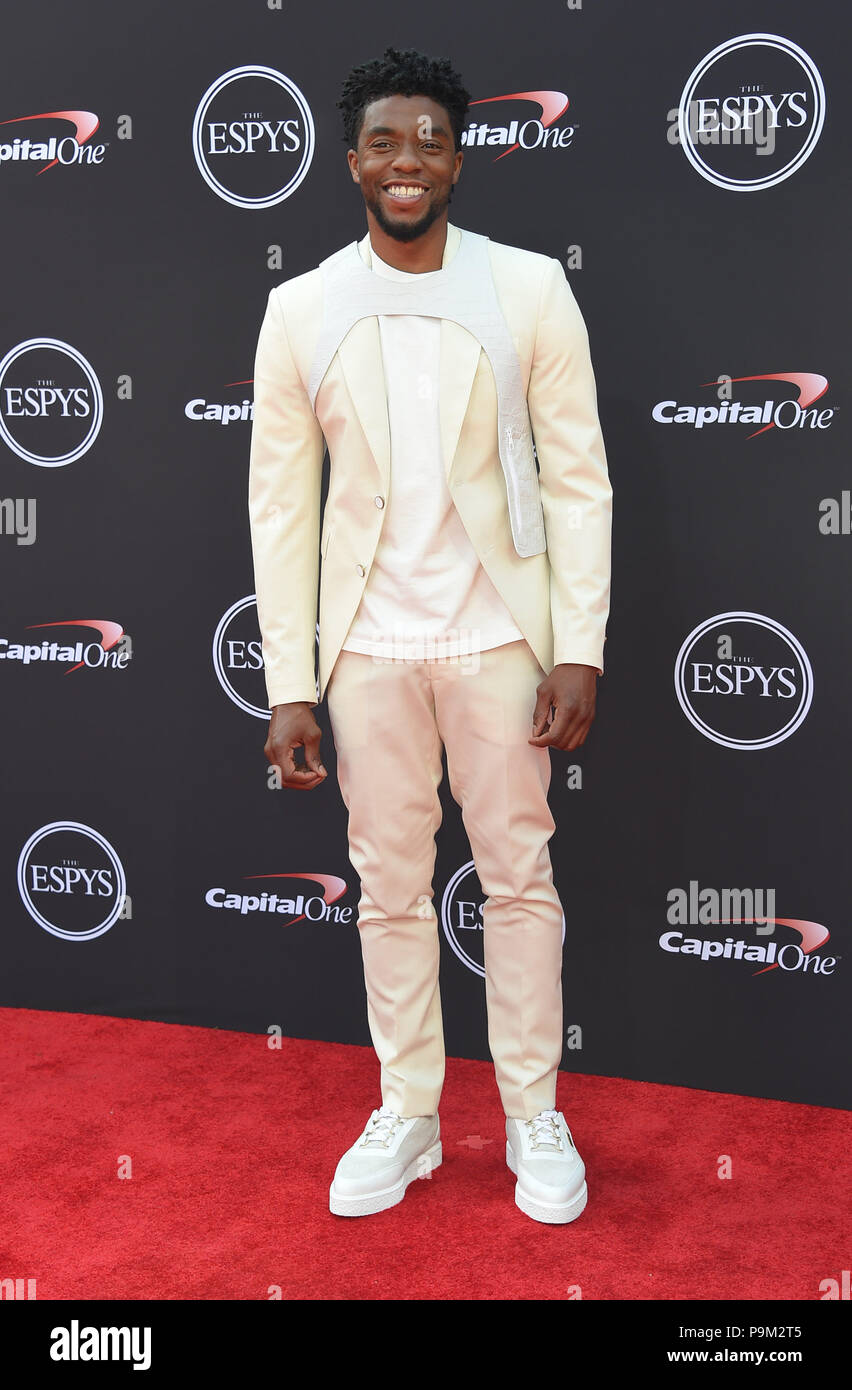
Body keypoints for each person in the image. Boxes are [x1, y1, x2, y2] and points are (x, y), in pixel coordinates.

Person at [248, 45, 612, 1224]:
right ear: (353, 160)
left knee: (518, 878)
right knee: (390, 888)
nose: (410, 162)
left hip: (499, 638)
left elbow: (579, 480)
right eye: (387, 142)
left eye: (432, 141)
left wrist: (579, 645)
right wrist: (290, 680)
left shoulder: (528, 290)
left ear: (461, 157)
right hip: (366, 651)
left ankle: (530, 1117)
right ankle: (408, 1115)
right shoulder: (300, 309)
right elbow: (281, 507)